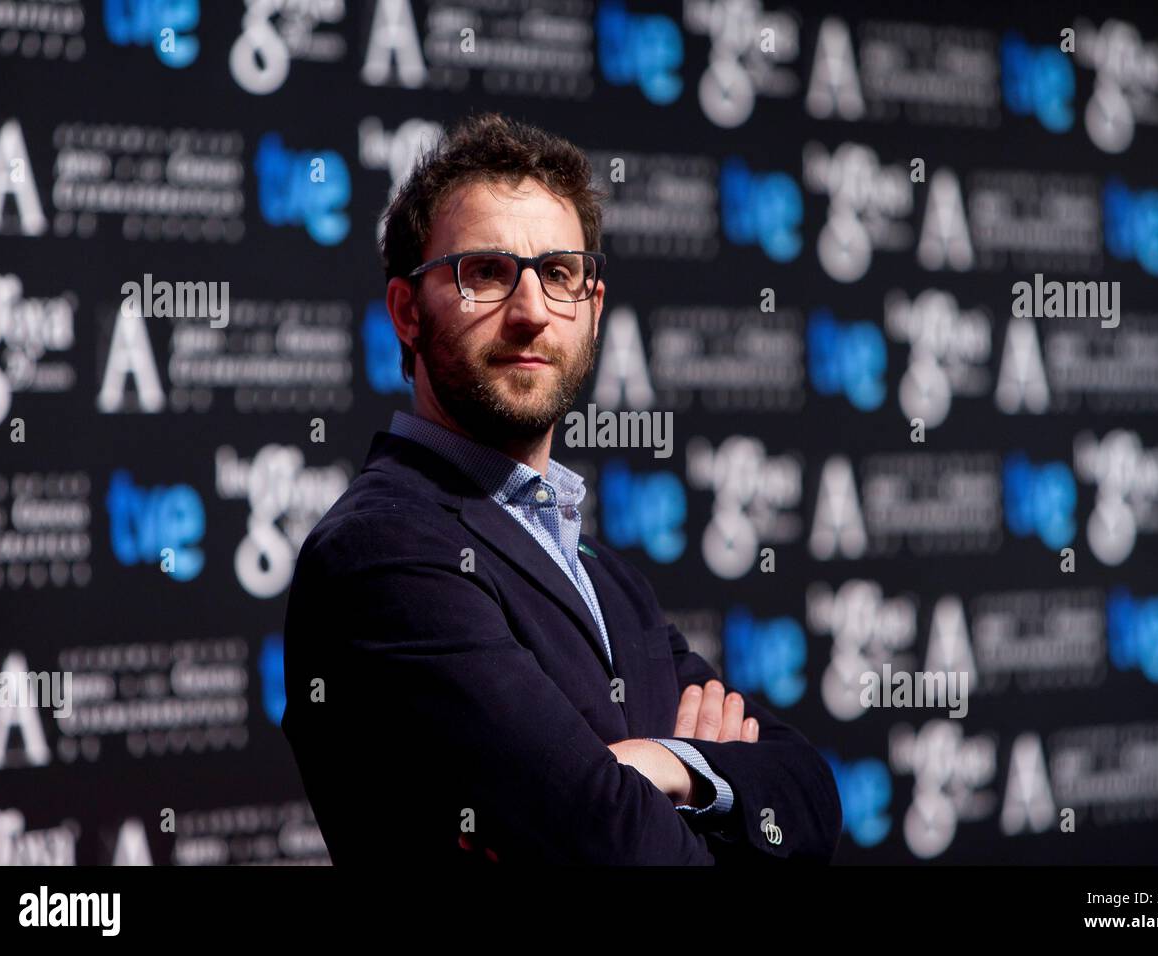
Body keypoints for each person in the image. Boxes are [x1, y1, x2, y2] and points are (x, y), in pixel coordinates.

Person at [281, 111, 842, 864]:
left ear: (592, 306)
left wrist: (669, 766)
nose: (531, 309)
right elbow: (607, 843)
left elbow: (810, 793)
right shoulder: (380, 551)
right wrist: (701, 789)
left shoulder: (607, 581)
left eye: (558, 273)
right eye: (484, 272)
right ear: (407, 314)